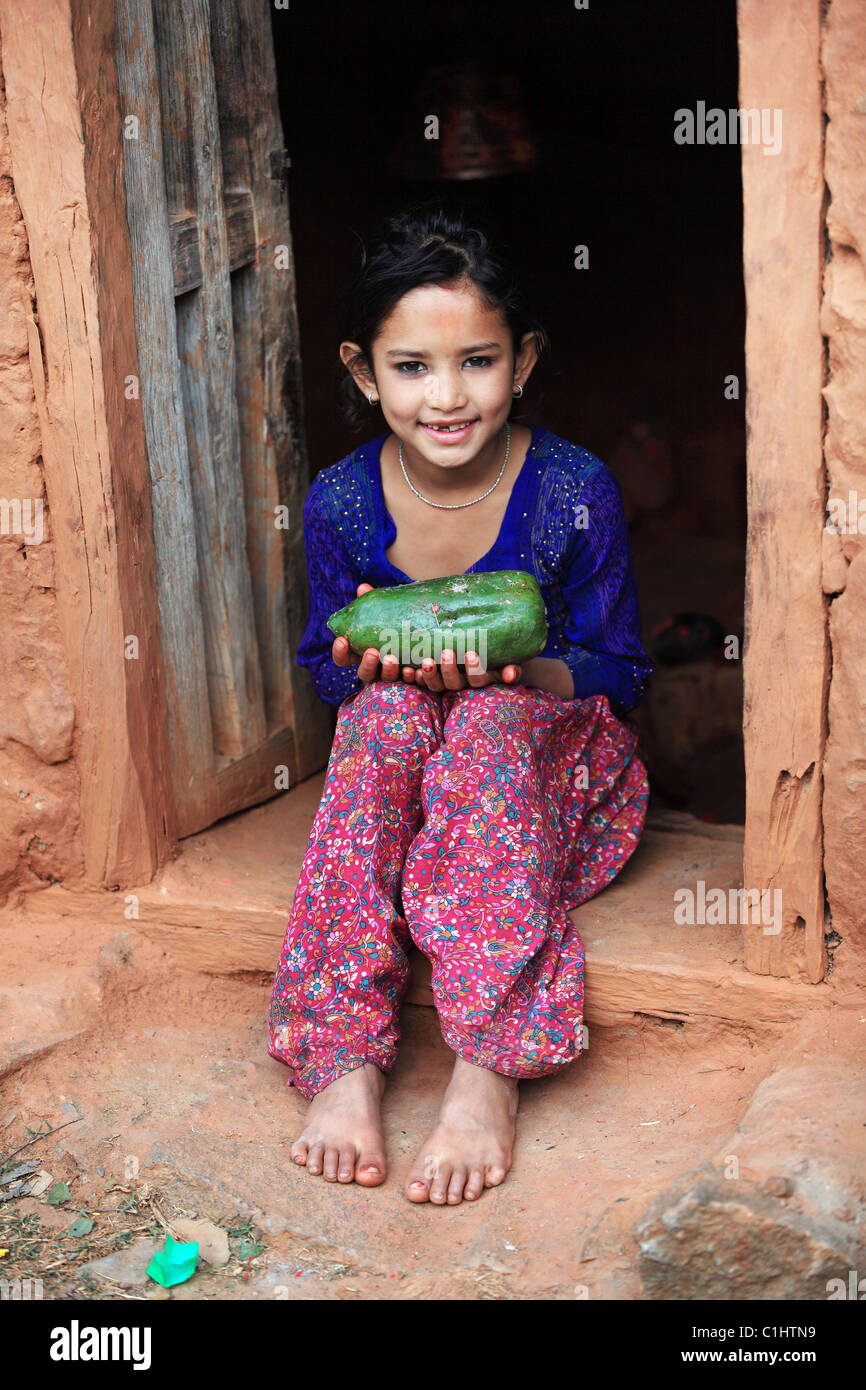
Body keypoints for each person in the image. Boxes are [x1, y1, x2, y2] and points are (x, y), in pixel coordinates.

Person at [267, 202, 653, 1206]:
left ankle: (487, 1065)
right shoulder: (340, 503)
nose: (445, 396)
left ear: (522, 360)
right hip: (404, 766)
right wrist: (367, 662)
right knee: (382, 719)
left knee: (482, 724)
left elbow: (622, 668)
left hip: (549, 774)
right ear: (361, 370)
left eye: (476, 361)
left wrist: (524, 677)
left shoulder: (576, 488)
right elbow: (321, 664)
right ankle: (342, 1056)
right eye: (410, 367)